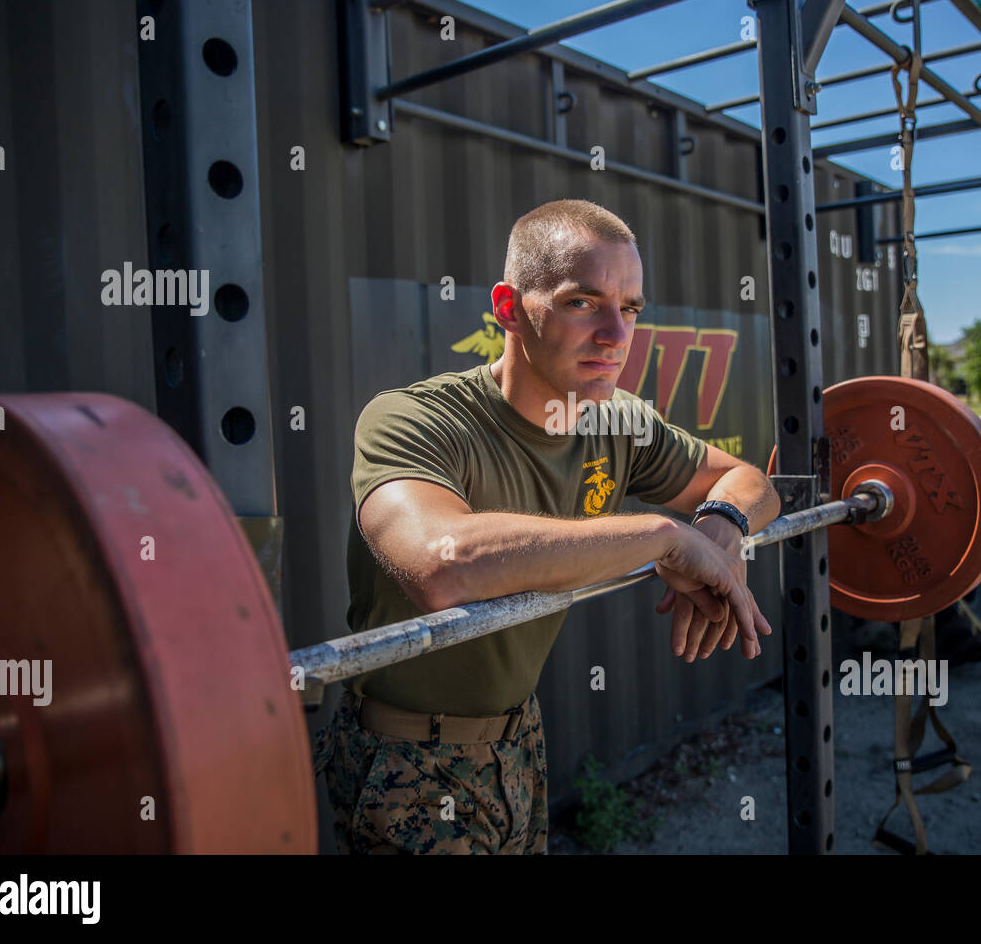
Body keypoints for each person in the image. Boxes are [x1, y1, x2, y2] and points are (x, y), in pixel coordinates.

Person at [318, 198, 780, 854]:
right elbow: (441, 564)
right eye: (582, 302)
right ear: (508, 308)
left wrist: (721, 532)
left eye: (631, 309)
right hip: (407, 762)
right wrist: (662, 537)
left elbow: (750, 483)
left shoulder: (614, 419)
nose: (617, 337)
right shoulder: (412, 420)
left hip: (520, 740)